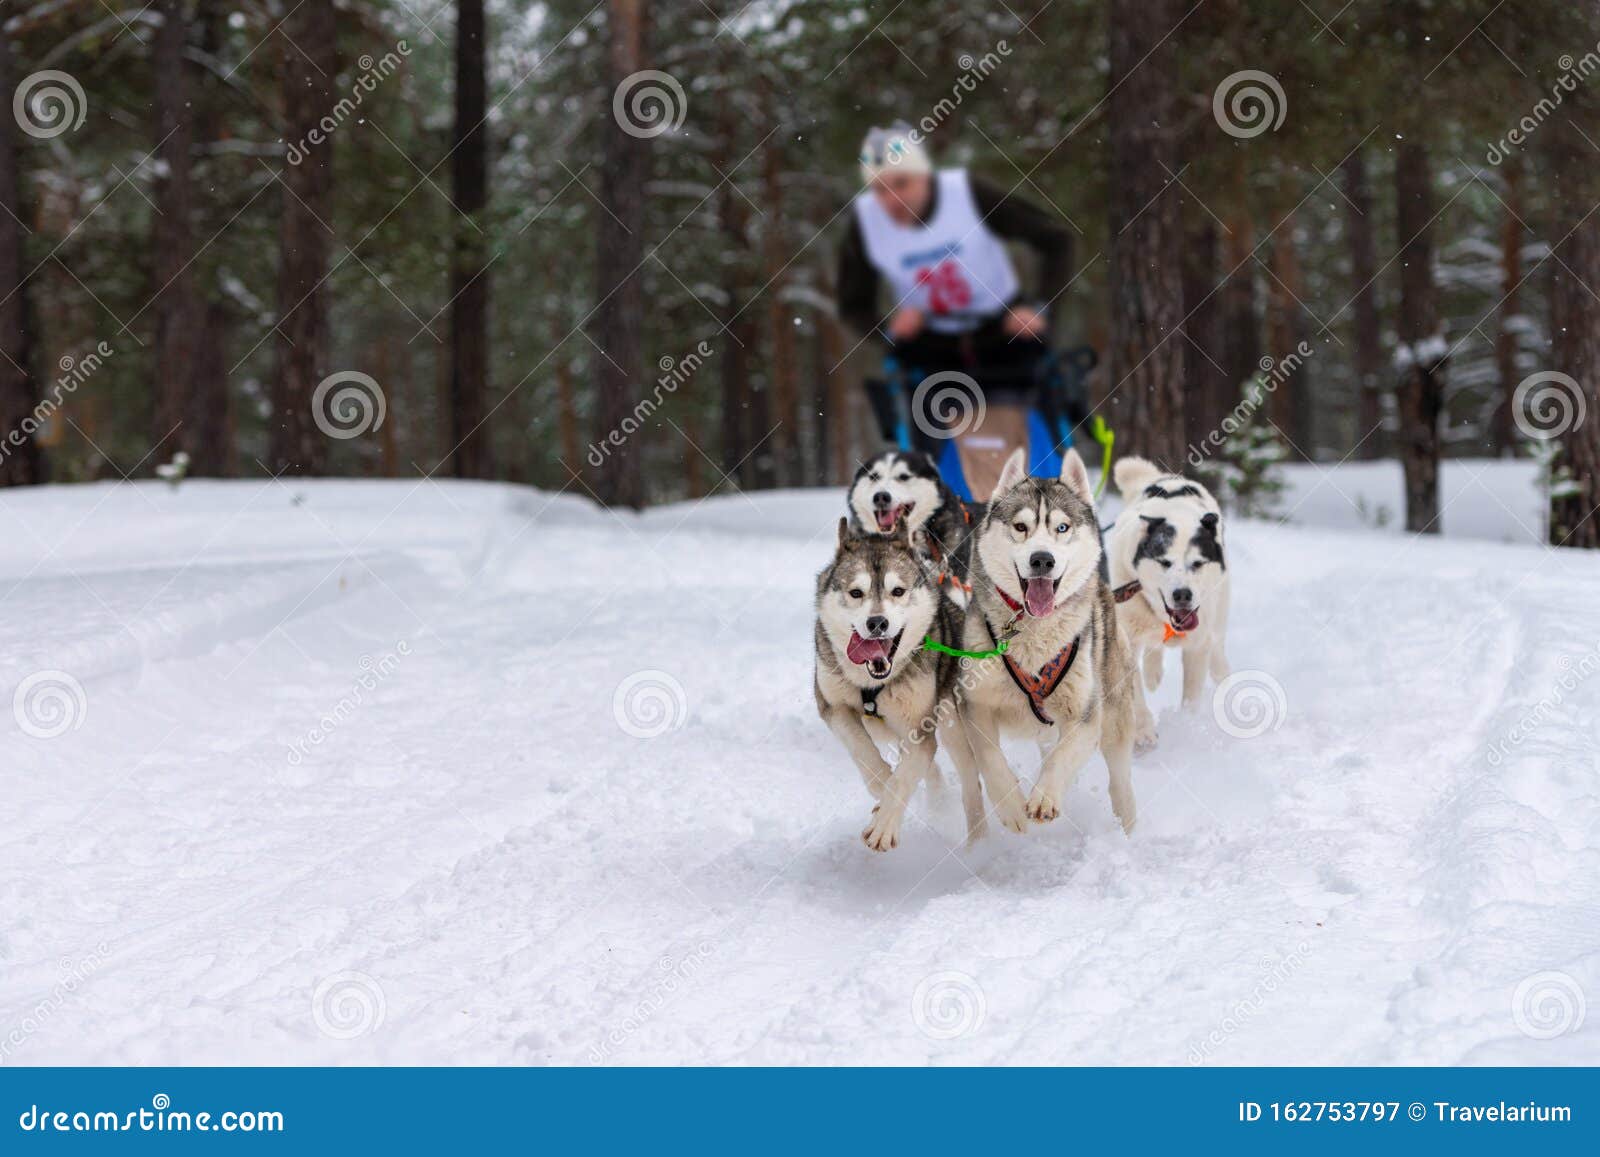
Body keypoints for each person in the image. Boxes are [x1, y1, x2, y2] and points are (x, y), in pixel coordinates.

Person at [837, 122, 1073, 386]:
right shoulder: (865, 221)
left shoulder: (967, 192)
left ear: (924, 175)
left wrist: (1039, 309)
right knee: (930, 417)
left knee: (1037, 418)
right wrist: (889, 332)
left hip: (1004, 332)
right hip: (928, 347)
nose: (892, 200)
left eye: (902, 183)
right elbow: (852, 304)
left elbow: (1056, 239)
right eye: (880, 189)